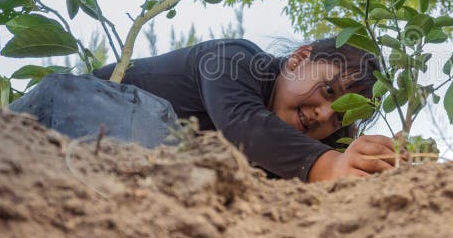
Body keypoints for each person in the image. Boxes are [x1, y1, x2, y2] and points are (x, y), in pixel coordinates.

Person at [93, 37, 397, 182]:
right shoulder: (234, 59)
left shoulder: (283, 157)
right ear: (300, 58)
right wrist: (330, 165)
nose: (325, 115)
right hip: (76, 110)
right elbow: (244, 124)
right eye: (329, 91)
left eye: (339, 118)